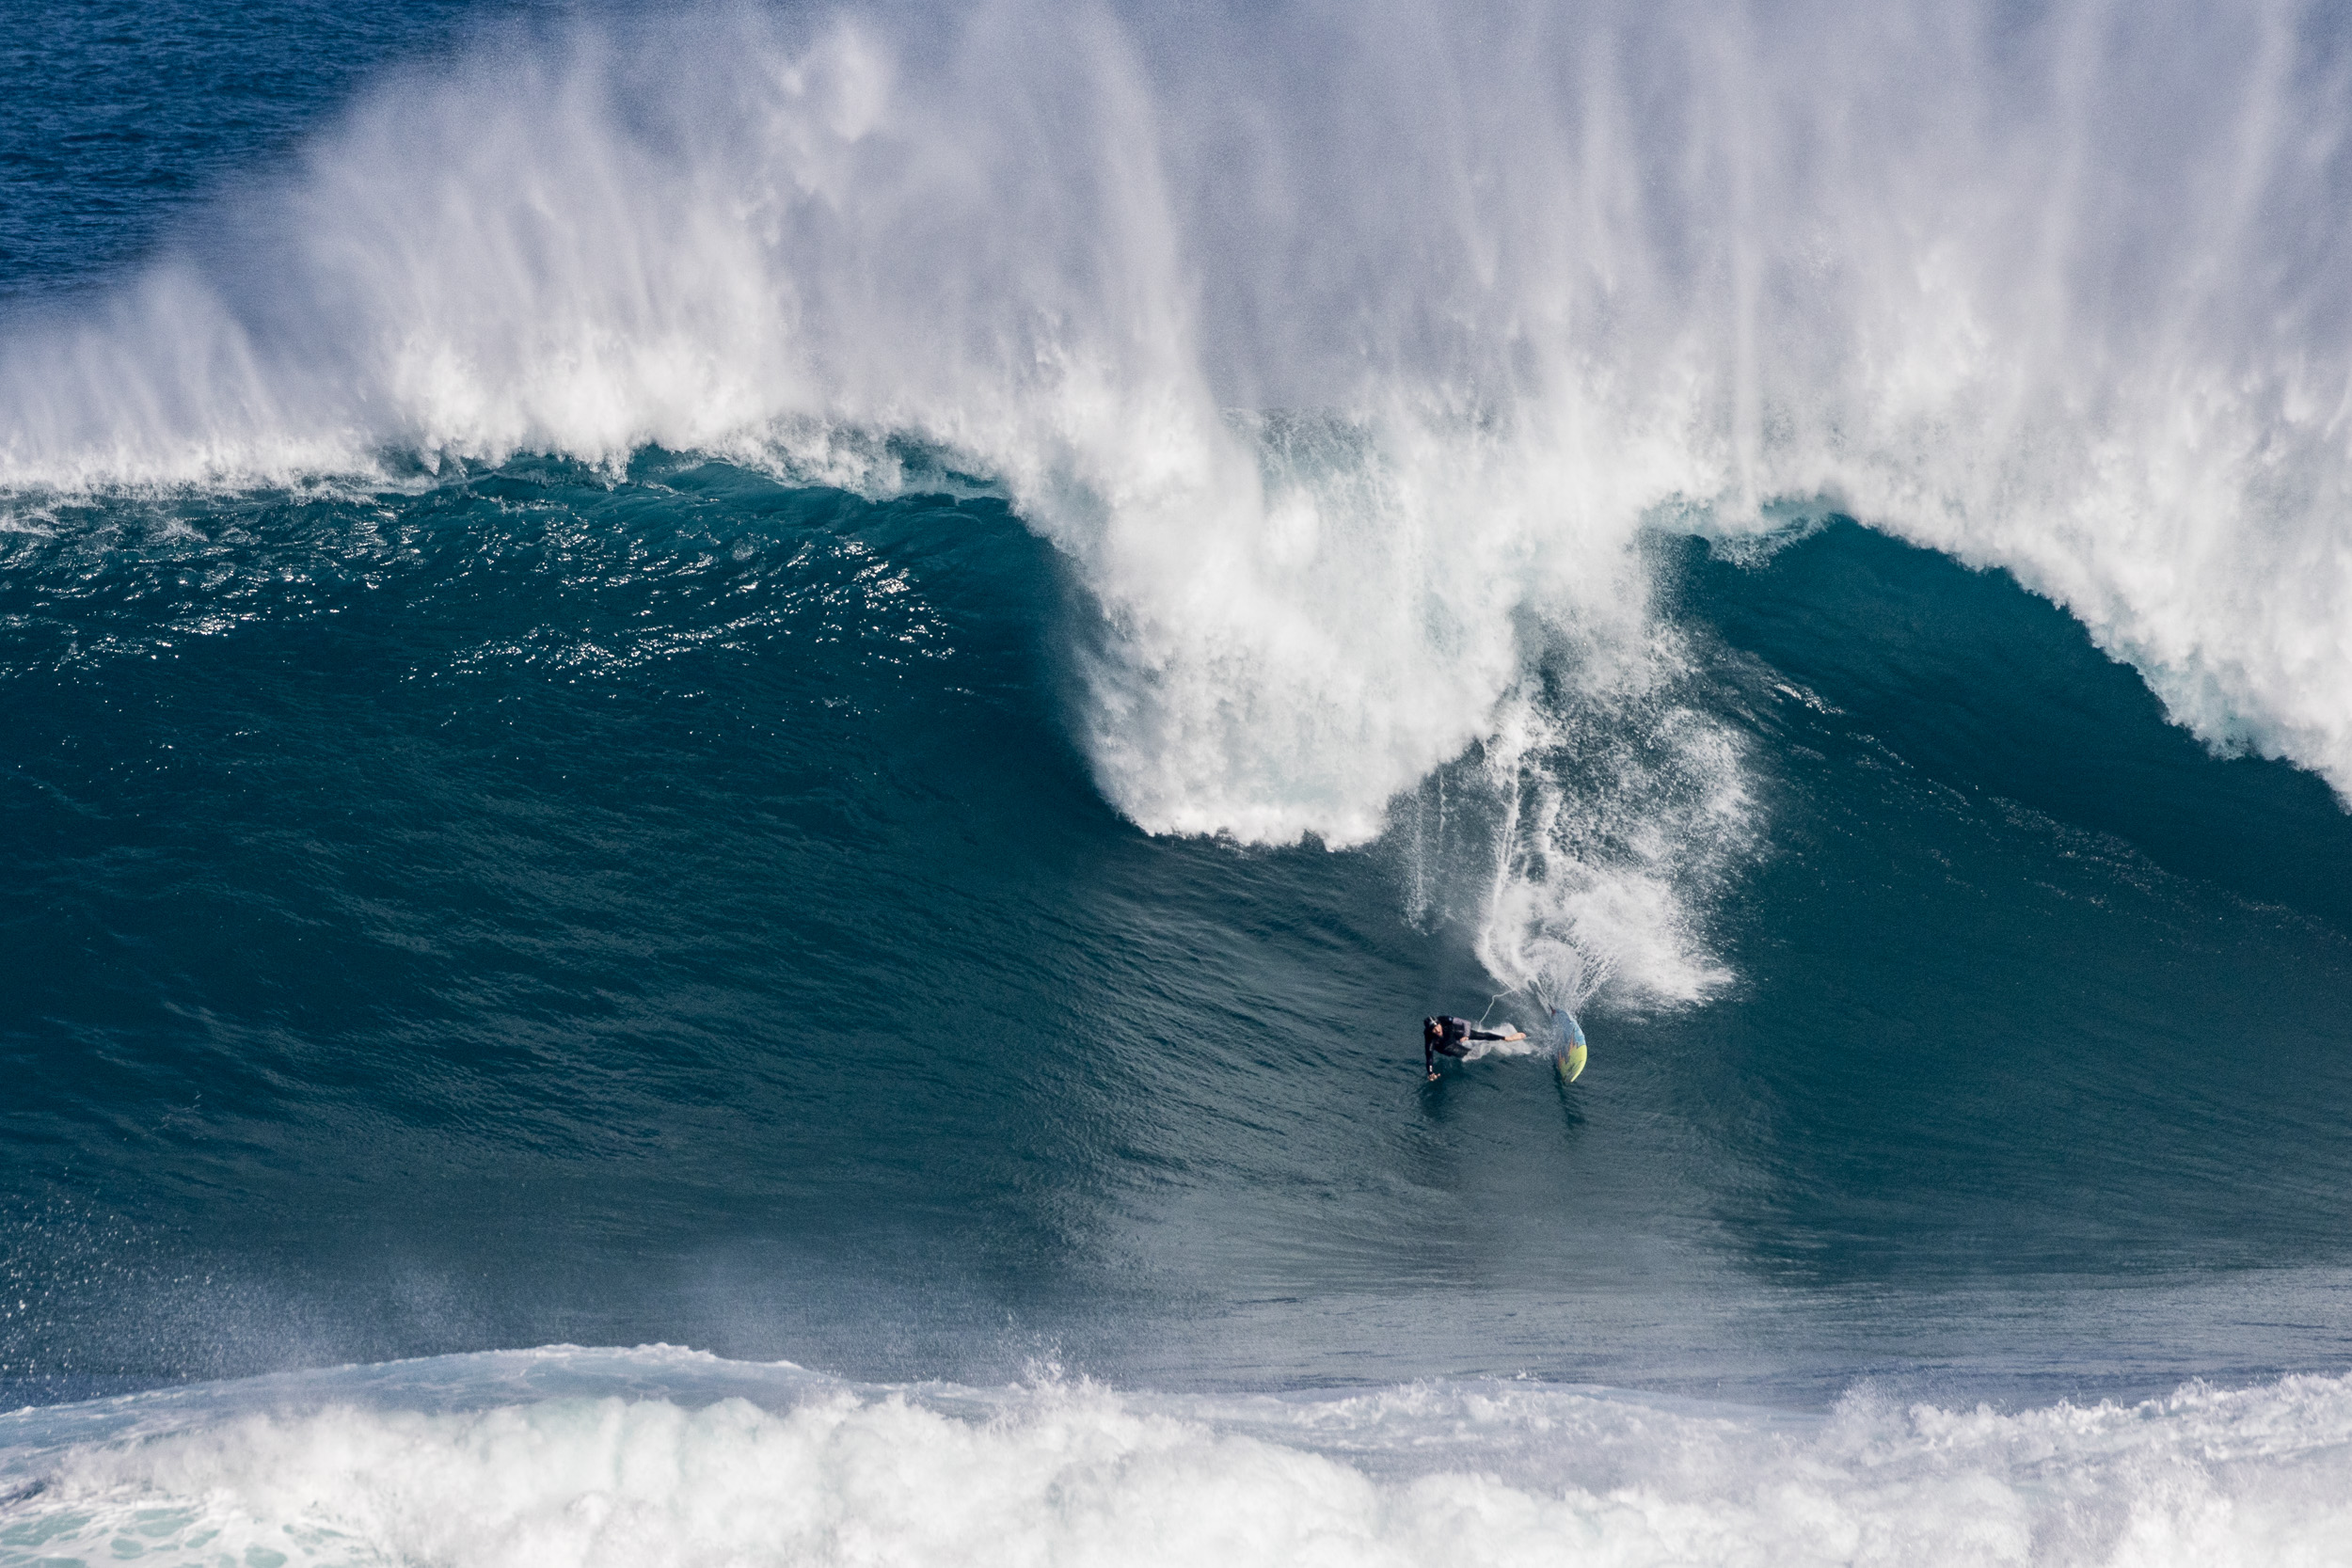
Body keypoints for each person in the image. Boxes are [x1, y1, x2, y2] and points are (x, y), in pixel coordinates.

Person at [1423, 1015, 1524, 1080]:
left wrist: (1466, 1035)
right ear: (1430, 1031)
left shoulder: (1444, 1019)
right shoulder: (1430, 1040)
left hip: (1452, 1033)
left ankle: (1507, 1038)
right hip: (1446, 1046)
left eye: (1438, 1026)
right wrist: (1431, 1072)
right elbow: (1429, 1058)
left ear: (1440, 1023)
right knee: (1472, 1054)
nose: (1437, 1030)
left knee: (1481, 1035)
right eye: (1433, 1029)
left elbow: (1466, 1023)